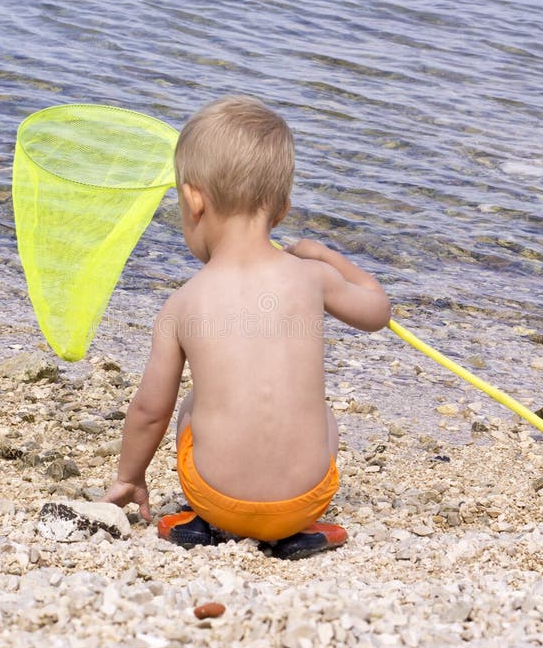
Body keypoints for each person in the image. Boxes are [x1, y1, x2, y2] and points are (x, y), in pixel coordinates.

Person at [103, 96, 391, 559]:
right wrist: (326, 256)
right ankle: (297, 530)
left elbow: (149, 412)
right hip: (305, 501)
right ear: (280, 211)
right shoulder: (313, 278)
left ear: (194, 201)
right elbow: (378, 312)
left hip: (217, 501)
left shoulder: (183, 302)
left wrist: (129, 478)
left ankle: (207, 523)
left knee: (194, 402)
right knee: (324, 414)